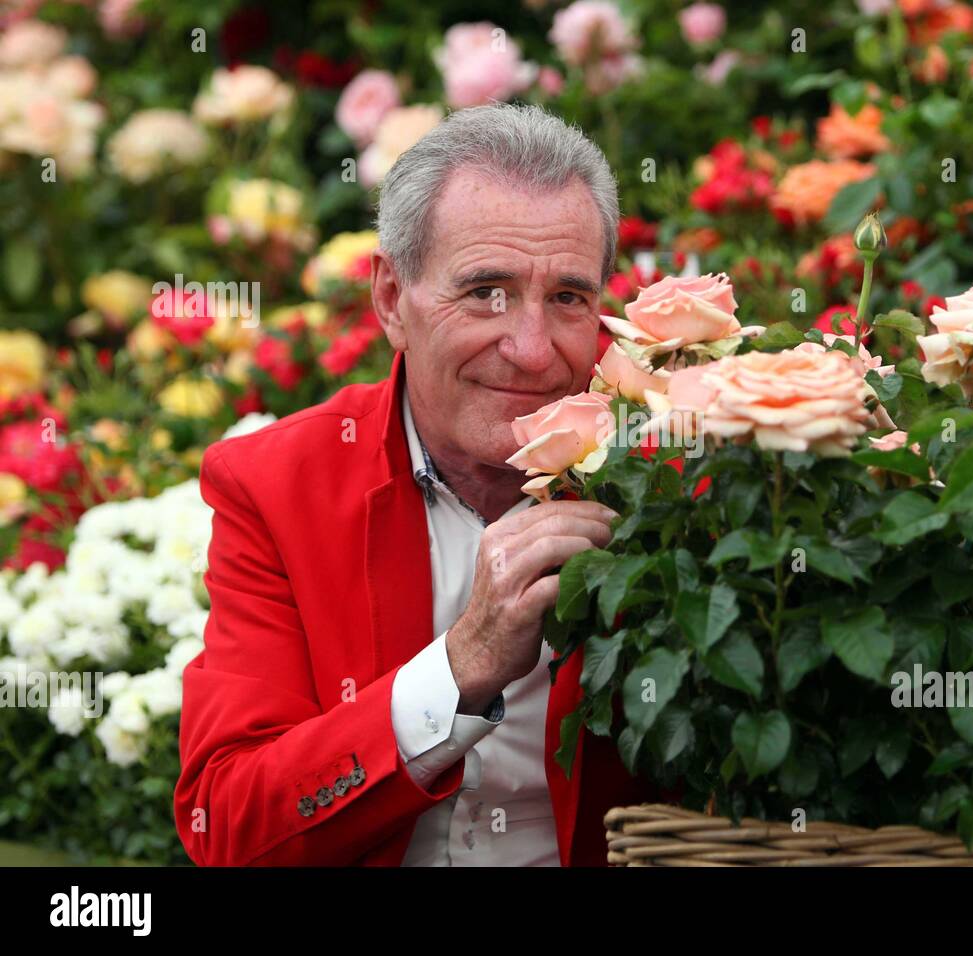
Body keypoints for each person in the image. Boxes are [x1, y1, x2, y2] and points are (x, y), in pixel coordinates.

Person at [174, 103, 654, 866]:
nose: (533, 351)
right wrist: (460, 667)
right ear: (392, 299)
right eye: (487, 291)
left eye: (568, 298)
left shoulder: (665, 480)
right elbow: (228, 825)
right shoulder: (276, 487)